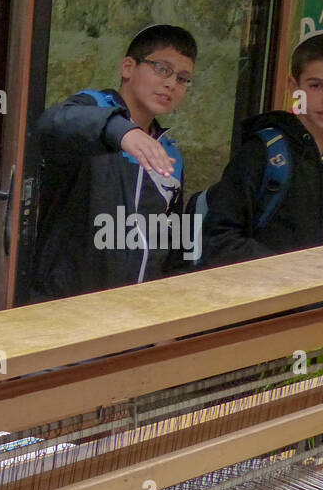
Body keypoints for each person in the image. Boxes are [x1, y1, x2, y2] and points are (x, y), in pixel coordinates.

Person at [26, 24, 198, 303]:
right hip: (66, 308)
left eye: (183, 78)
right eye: (162, 69)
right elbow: (51, 125)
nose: (171, 83)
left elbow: (168, 241)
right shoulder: (92, 109)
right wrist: (120, 131)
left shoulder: (170, 153)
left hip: (134, 316)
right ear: (128, 67)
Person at [202, 30, 323, 266]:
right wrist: (290, 272)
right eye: (315, 86)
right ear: (294, 87)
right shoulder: (263, 153)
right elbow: (219, 240)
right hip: (268, 298)